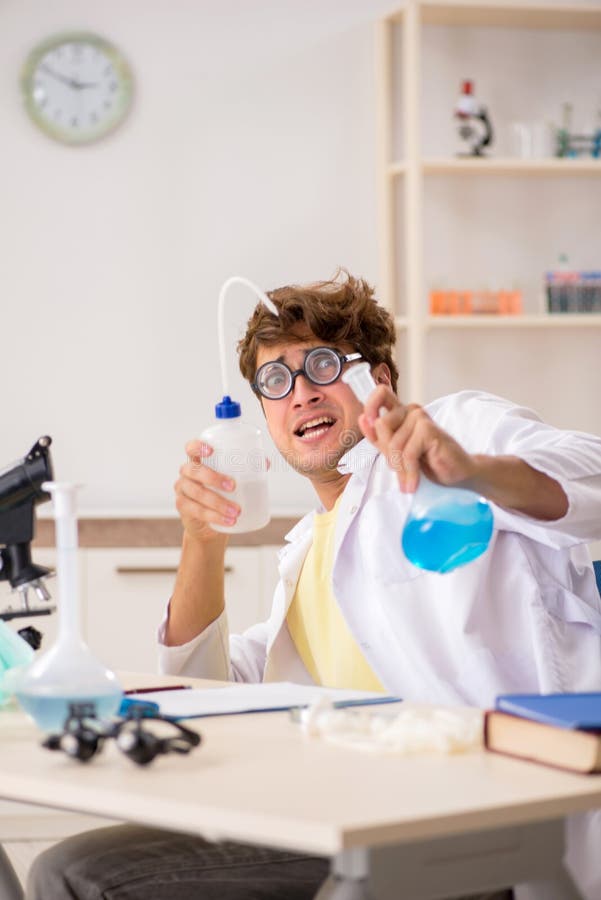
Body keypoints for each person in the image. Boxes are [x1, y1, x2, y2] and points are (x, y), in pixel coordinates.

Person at [28, 271, 601, 900]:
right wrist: (202, 540)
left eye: (322, 365)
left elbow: (589, 476)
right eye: (275, 381)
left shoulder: (456, 428)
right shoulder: (305, 550)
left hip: (475, 820)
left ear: (377, 379)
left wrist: (470, 469)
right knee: (69, 869)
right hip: (341, 815)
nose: (299, 393)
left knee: (84, 878)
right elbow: (214, 684)